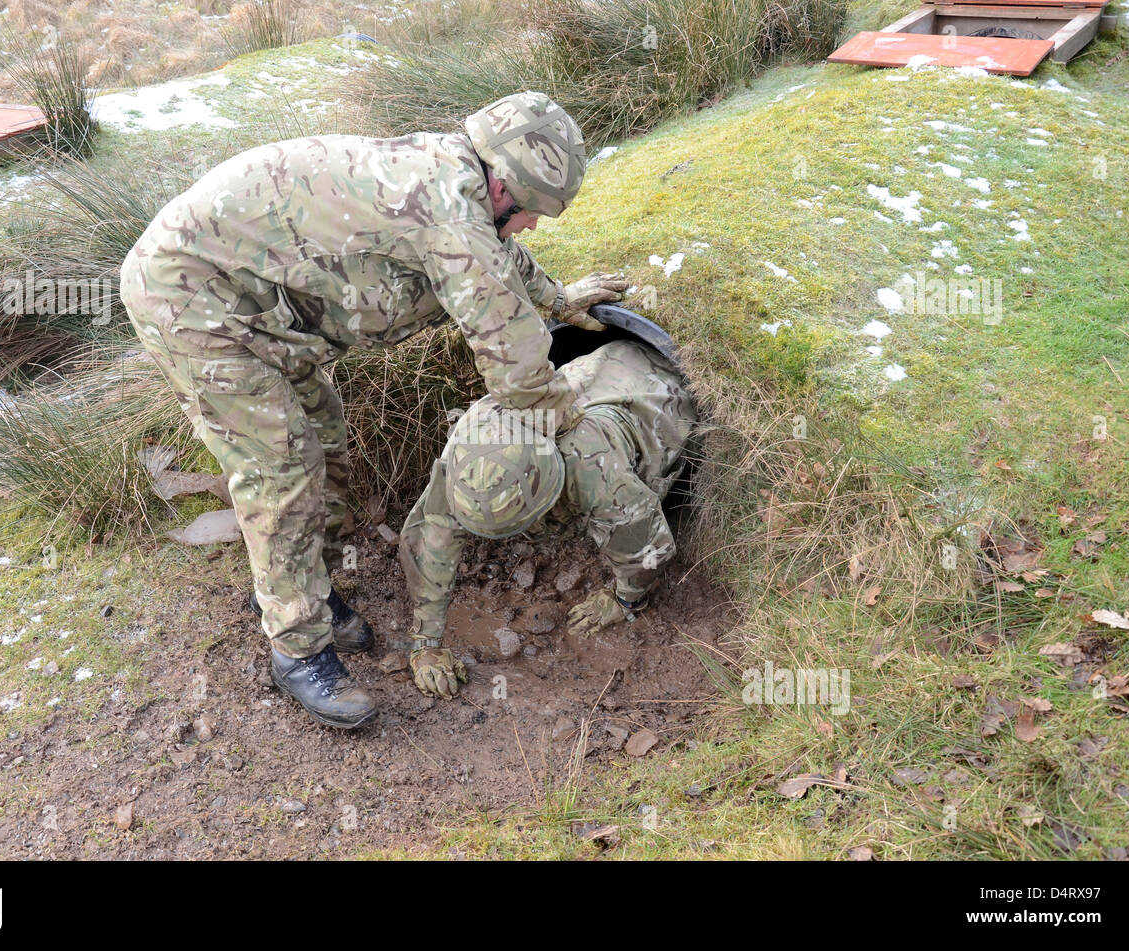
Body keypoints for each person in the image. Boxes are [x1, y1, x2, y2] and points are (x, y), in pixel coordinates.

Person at [119, 91, 626, 729]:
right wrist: (571, 415)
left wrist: (556, 298)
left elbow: (494, 263)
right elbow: (514, 361)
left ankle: (308, 590)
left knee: (325, 439)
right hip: (192, 300)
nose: (529, 227)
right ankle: (297, 649)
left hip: (260, 304)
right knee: (280, 468)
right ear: (503, 186)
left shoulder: (457, 183)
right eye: (529, 213)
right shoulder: (448, 209)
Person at [399, 339, 698, 699]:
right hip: (605, 363)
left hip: (665, 391)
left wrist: (625, 599)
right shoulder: (473, 437)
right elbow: (434, 528)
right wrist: (426, 640)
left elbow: (647, 547)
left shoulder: (595, 468)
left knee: (630, 504)